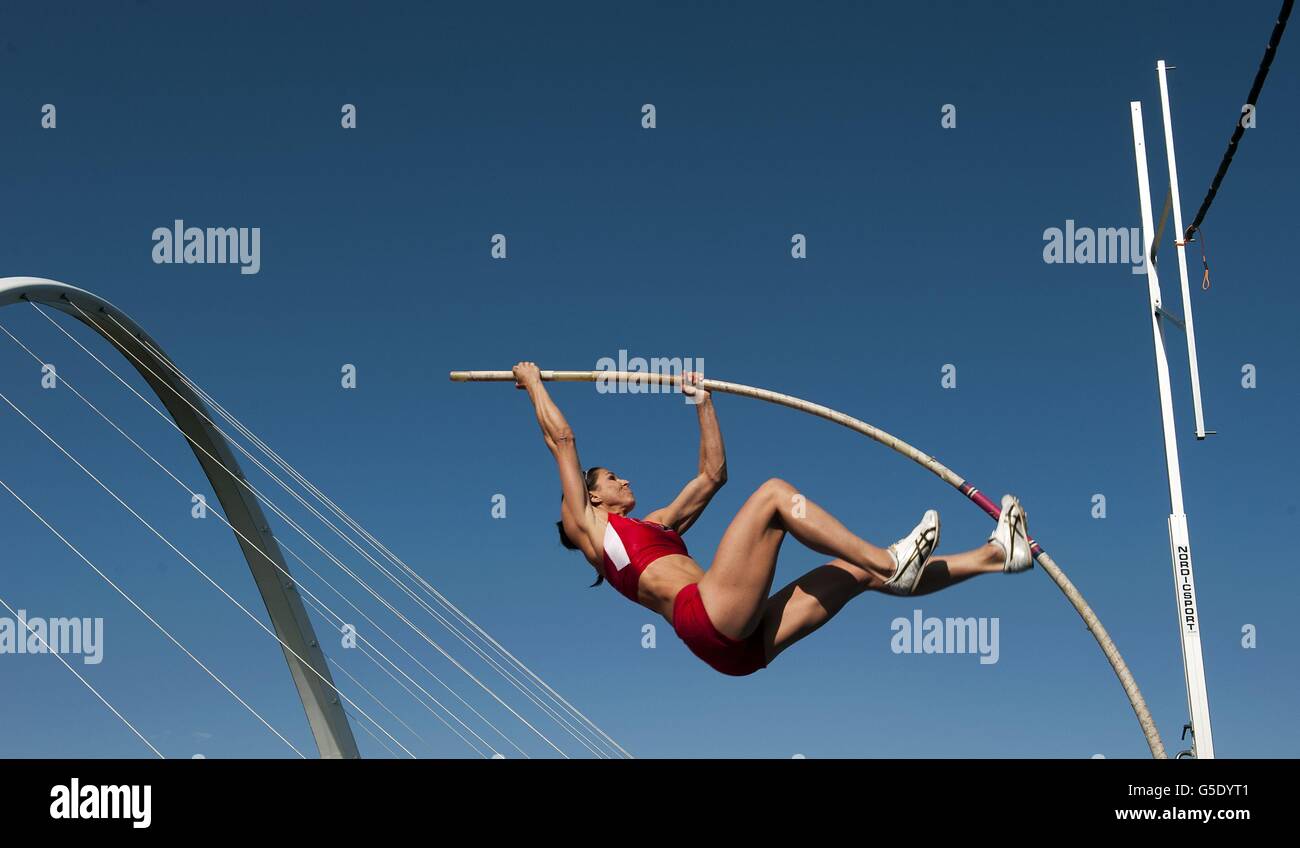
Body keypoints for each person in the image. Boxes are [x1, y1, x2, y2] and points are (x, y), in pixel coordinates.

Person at [513, 361, 1032, 676]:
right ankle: (891, 559)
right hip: (707, 617)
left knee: (857, 573)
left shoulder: (658, 526)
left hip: (739, 643)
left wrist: (702, 403)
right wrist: (534, 383)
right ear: (593, 497)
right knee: (775, 497)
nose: (622, 480)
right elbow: (561, 439)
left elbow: (713, 475)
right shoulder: (590, 528)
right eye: (611, 478)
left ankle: (995, 556)